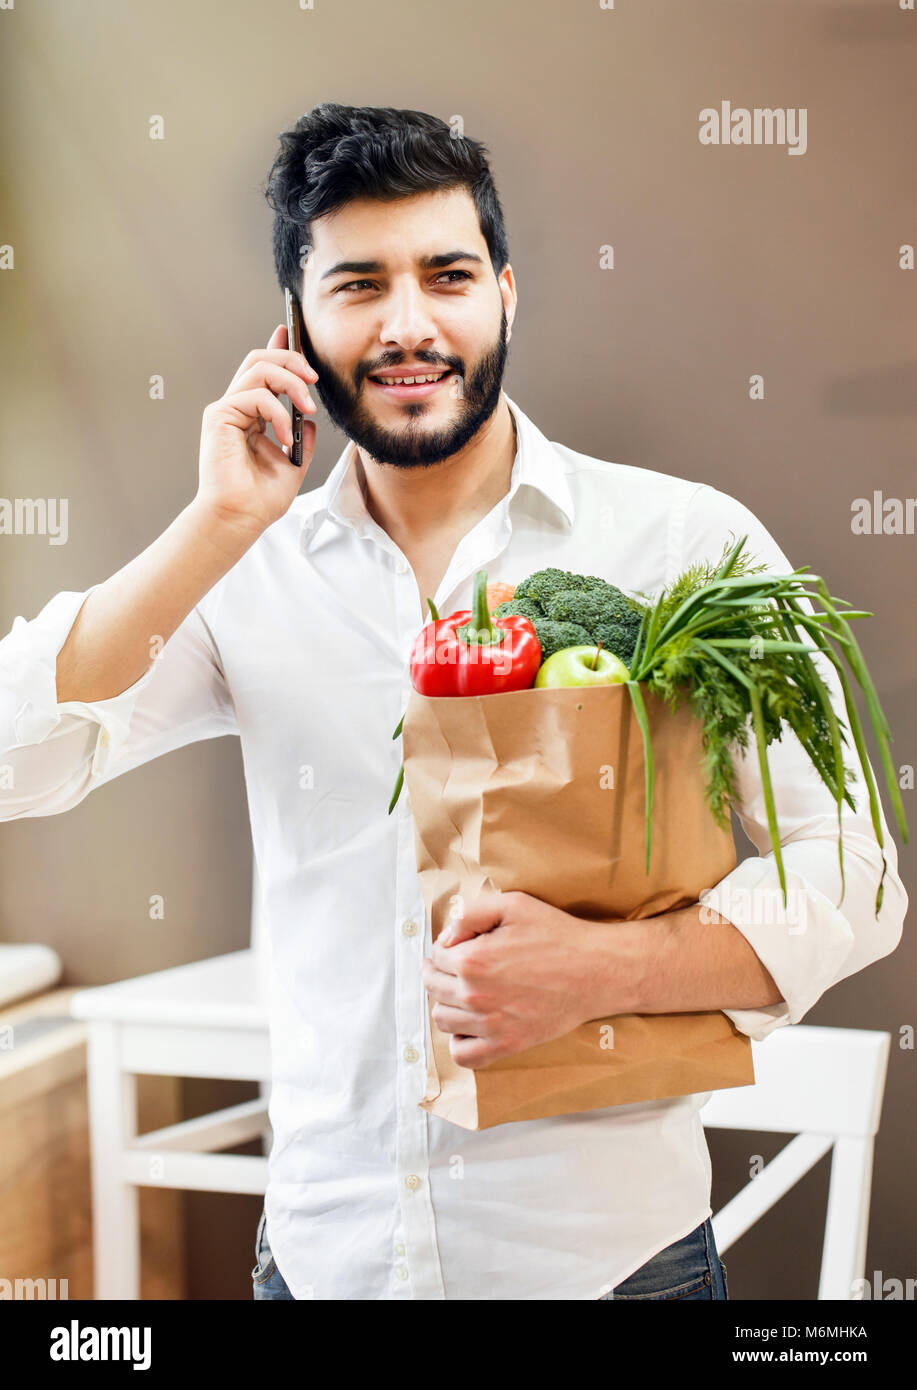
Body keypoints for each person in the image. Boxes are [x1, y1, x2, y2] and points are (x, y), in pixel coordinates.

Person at [0, 104, 906, 1301]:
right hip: (325, 1265)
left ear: (507, 293)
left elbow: (849, 872)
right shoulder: (241, 575)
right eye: (359, 284)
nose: (409, 324)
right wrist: (217, 522)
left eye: (447, 275)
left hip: (614, 1272)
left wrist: (603, 969)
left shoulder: (686, 541)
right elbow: (18, 758)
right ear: (296, 327)